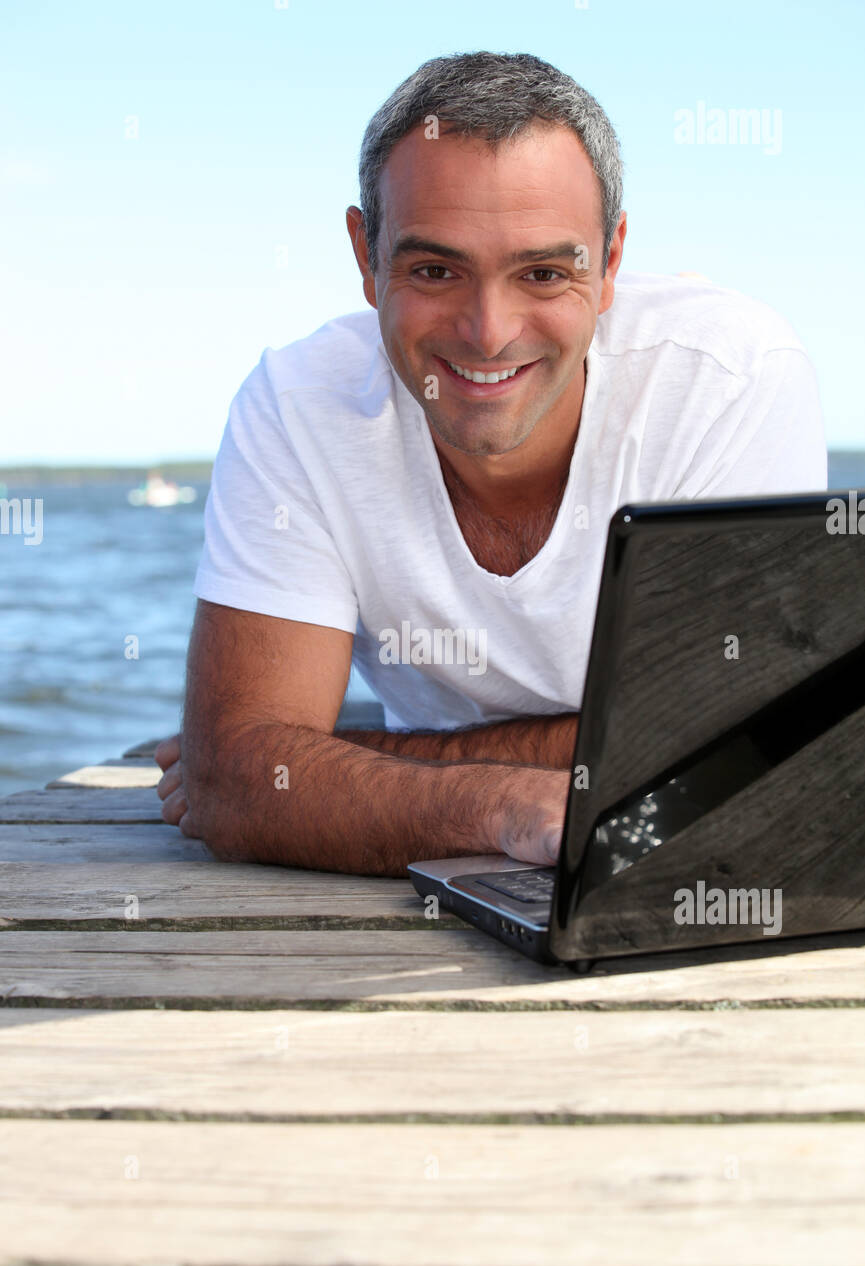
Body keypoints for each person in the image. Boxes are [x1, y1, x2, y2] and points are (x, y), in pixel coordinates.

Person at [155, 51, 827, 877]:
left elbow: (746, 745)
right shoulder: (298, 404)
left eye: (543, 272)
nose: (488, 332)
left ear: (611, 262)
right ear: (366, 258)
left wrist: (350, 756)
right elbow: (233, 780)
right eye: (436, 270)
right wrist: (506, 804)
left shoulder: (728, 379)